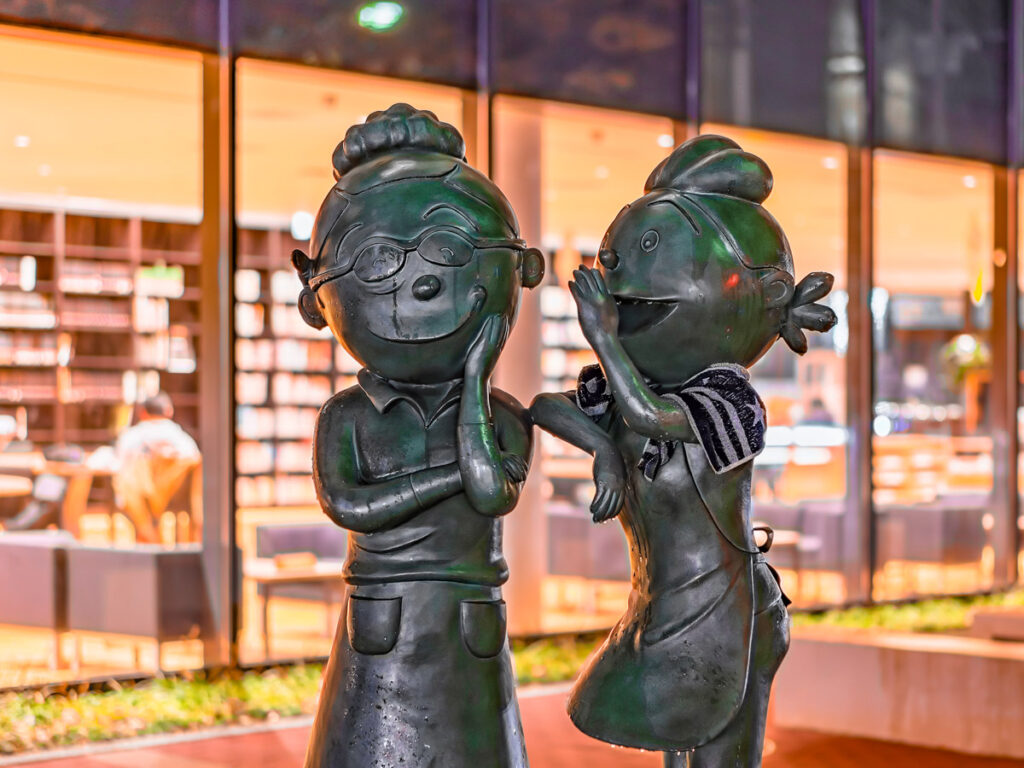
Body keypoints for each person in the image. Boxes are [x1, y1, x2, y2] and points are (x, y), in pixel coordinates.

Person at [531, 135, 836, 768]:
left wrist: (602, 339)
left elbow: (653, 419)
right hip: (659, 614)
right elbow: (545, 407)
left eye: (650, 250)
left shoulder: (730, 398)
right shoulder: (630, 390)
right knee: (675, 745)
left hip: (730, 618)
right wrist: (603, 450)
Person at [293, 104, 545, 767]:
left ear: (519, 269)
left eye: (451, 249)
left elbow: (493, 495)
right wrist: (452, 473)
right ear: (317, 298)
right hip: (382, 626)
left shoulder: (504, 414)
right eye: (378, 261)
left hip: (468, 626)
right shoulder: (347, 416)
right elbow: (350, 506)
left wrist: (475, 380)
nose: (424, 279)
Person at [113, 392, 200, 544]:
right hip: (178, 496)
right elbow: (195, 458)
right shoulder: (181, 437)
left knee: (126, 482)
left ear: (143, 413)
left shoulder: (132, 436)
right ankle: (153, 535)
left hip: (142, 499)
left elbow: (118, 465)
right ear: (169, 412)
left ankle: (150, 536)